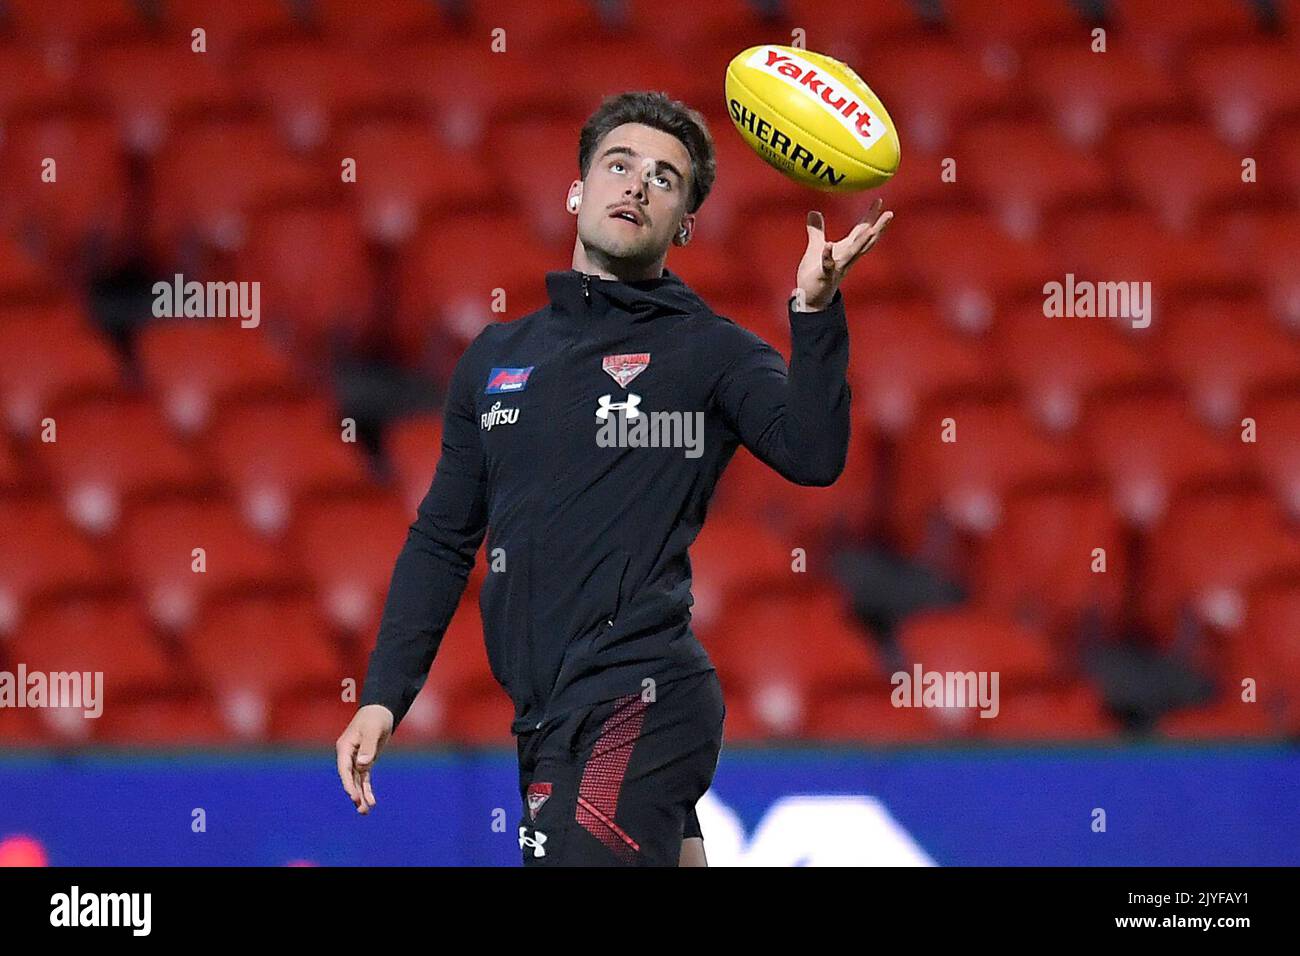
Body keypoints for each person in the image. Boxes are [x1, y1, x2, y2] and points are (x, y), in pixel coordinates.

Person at [336, 90, 893, 866]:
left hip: (639, 700)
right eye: (619, 165)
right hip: (544, 722)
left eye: (664, 179)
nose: (636, 185)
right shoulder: (495, 359)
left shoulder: (709, 351)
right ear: (577, 190)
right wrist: (384, 695)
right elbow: (440, 540)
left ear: (685, 224)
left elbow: (814, 452)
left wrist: (815, 311)